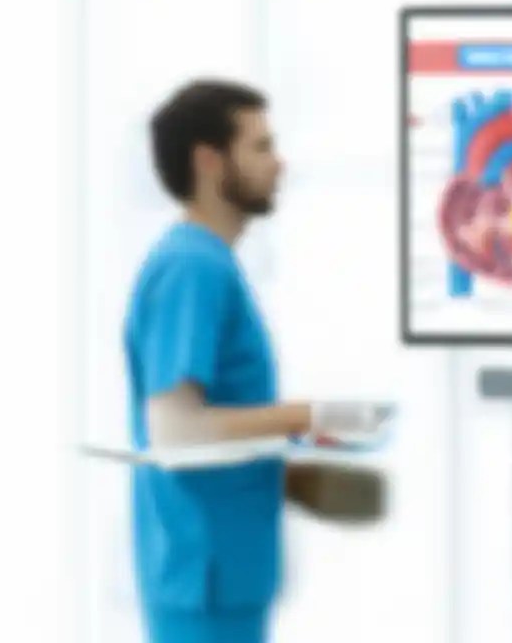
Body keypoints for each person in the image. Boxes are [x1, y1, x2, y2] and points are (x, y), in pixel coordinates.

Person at [123, 80, 389, 642]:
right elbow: (174, 429)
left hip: (221, 573)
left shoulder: (208, 264)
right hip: (204, 578)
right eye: (261, 147)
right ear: (209, 161)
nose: (279, 163)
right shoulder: (192, 269)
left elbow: (210, 429)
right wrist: (309, 416)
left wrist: (285, 473)